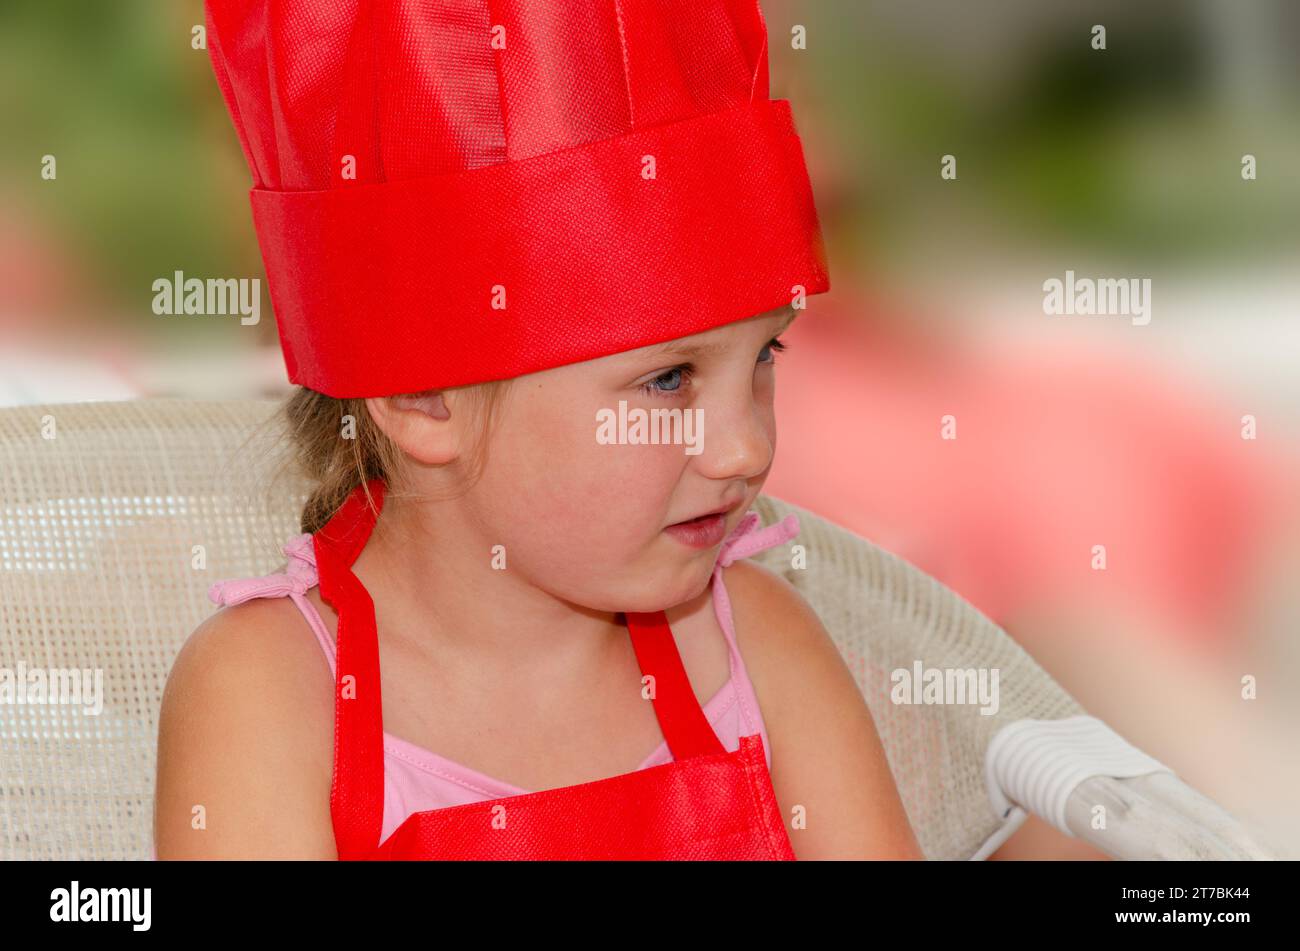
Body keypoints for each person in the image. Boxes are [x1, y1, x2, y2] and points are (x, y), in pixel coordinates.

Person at [153, 0, 922, 860]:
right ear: (423, 397)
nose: (746, 448)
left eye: (765, 354)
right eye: (668, 380)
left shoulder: (756, 644)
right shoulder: (270, 694)